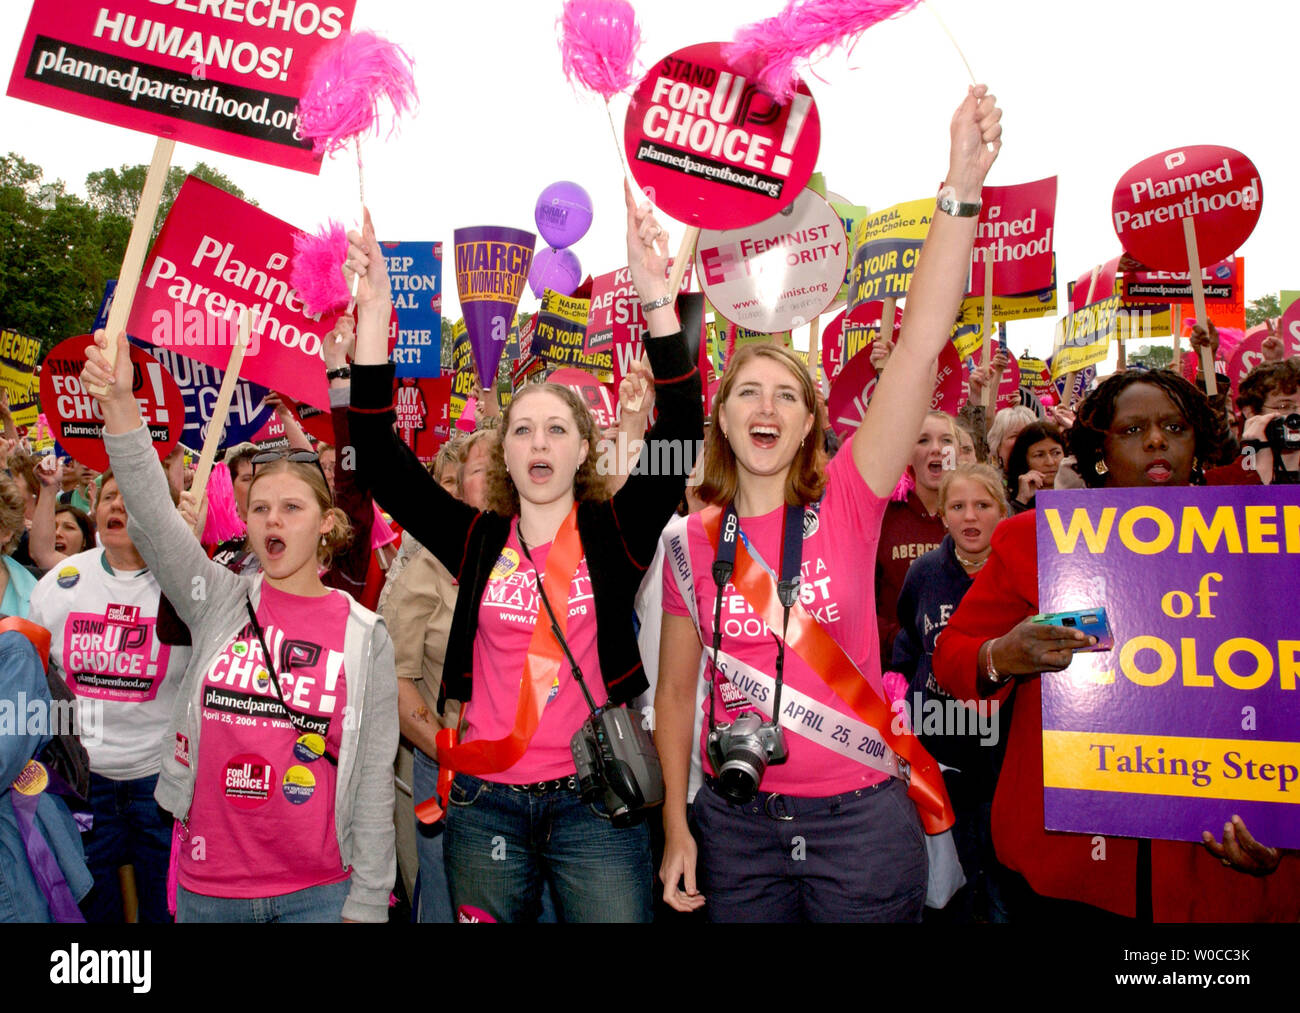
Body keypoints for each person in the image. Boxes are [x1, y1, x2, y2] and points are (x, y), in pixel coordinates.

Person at [656, 85, 1003, 923]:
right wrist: (675, 822)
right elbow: (673, 696)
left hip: (860, 820)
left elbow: (922, 338)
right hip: (734, 827)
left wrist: (958, 185)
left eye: (787, 393)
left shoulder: (850, 494)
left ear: (812, 420)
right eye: (747, 392)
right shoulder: (689, 544)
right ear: (724, 417)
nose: (767, 407)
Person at [346, 184, 702, 923]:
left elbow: (683, 427)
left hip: (594, 808)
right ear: (502, 453)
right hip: (484, 804)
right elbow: (377, 457)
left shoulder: (618, 531)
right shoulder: (474, 538)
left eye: (555, 429)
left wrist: (654, 294)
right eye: (522, 430)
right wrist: (375, 317)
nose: (538, 442)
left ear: (584, 450)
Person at [931, 369, 1300, 921]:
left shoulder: (1268, 543)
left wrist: (1283, 837)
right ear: (1099, 451)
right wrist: (1001, 655)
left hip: (1220, 873)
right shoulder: (1031, 541)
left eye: (1174, 426)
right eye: (1131, 430)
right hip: (1070, 865)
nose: (1155, 441)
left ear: (1198, 441)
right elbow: (953, 653)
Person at [77, 330, 399, 923]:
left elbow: (375, 783)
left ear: (327, 523)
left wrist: (370, 902)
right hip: (212, 888)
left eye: (292, 508)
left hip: (322, 892)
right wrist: (122, 404)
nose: (272, 518)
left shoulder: (363, 634)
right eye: (259, 507)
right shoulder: (216, 600)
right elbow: (151, 519)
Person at [28, 467, 191, 922]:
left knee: (166, 909)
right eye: (109, 497)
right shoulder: (60, 584)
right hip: (83, 787)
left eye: (132, 496)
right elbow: (38, 679)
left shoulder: (186, 585)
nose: (118, 506)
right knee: (93, 912)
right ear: (93, 507)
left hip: (160, 785)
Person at [891, 462, 1011, 922]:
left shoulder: (1017, 572)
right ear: (942, 515)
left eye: (983, 505)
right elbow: (908, 639)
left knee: (997, 870)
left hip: (999, 753)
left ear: (1002, 510)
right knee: (946, 875)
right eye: (958, 506)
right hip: (939, 749)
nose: (970, 517)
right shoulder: (924, 572)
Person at [875, 410, 958, 658]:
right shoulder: (883, 515)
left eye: (946, 440)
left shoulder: (976, 512)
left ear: (958, 452)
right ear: (908, 454)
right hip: (898, 670)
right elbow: (860, 598)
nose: (936, 449)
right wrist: (898, 641)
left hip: (961, 667)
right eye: (923, 440)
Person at [1207, 358, 1300, 486]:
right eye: (1285, 406)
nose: (1298, 415)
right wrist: (1258, 476)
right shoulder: (1219, 482)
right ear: (1251, 412)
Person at [1004, 421, 1066, 513]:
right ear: (1024, 460)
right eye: (1039, 455)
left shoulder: (1080, 490)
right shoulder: (1008, 499)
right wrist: (1021, 500)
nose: (1050, 462)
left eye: (1056, 453)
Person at [985, 404, 1036, 472]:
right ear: (998, 445)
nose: (1022, 440)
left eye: (1029, 435)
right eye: (1014, 436)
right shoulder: (988, 479)